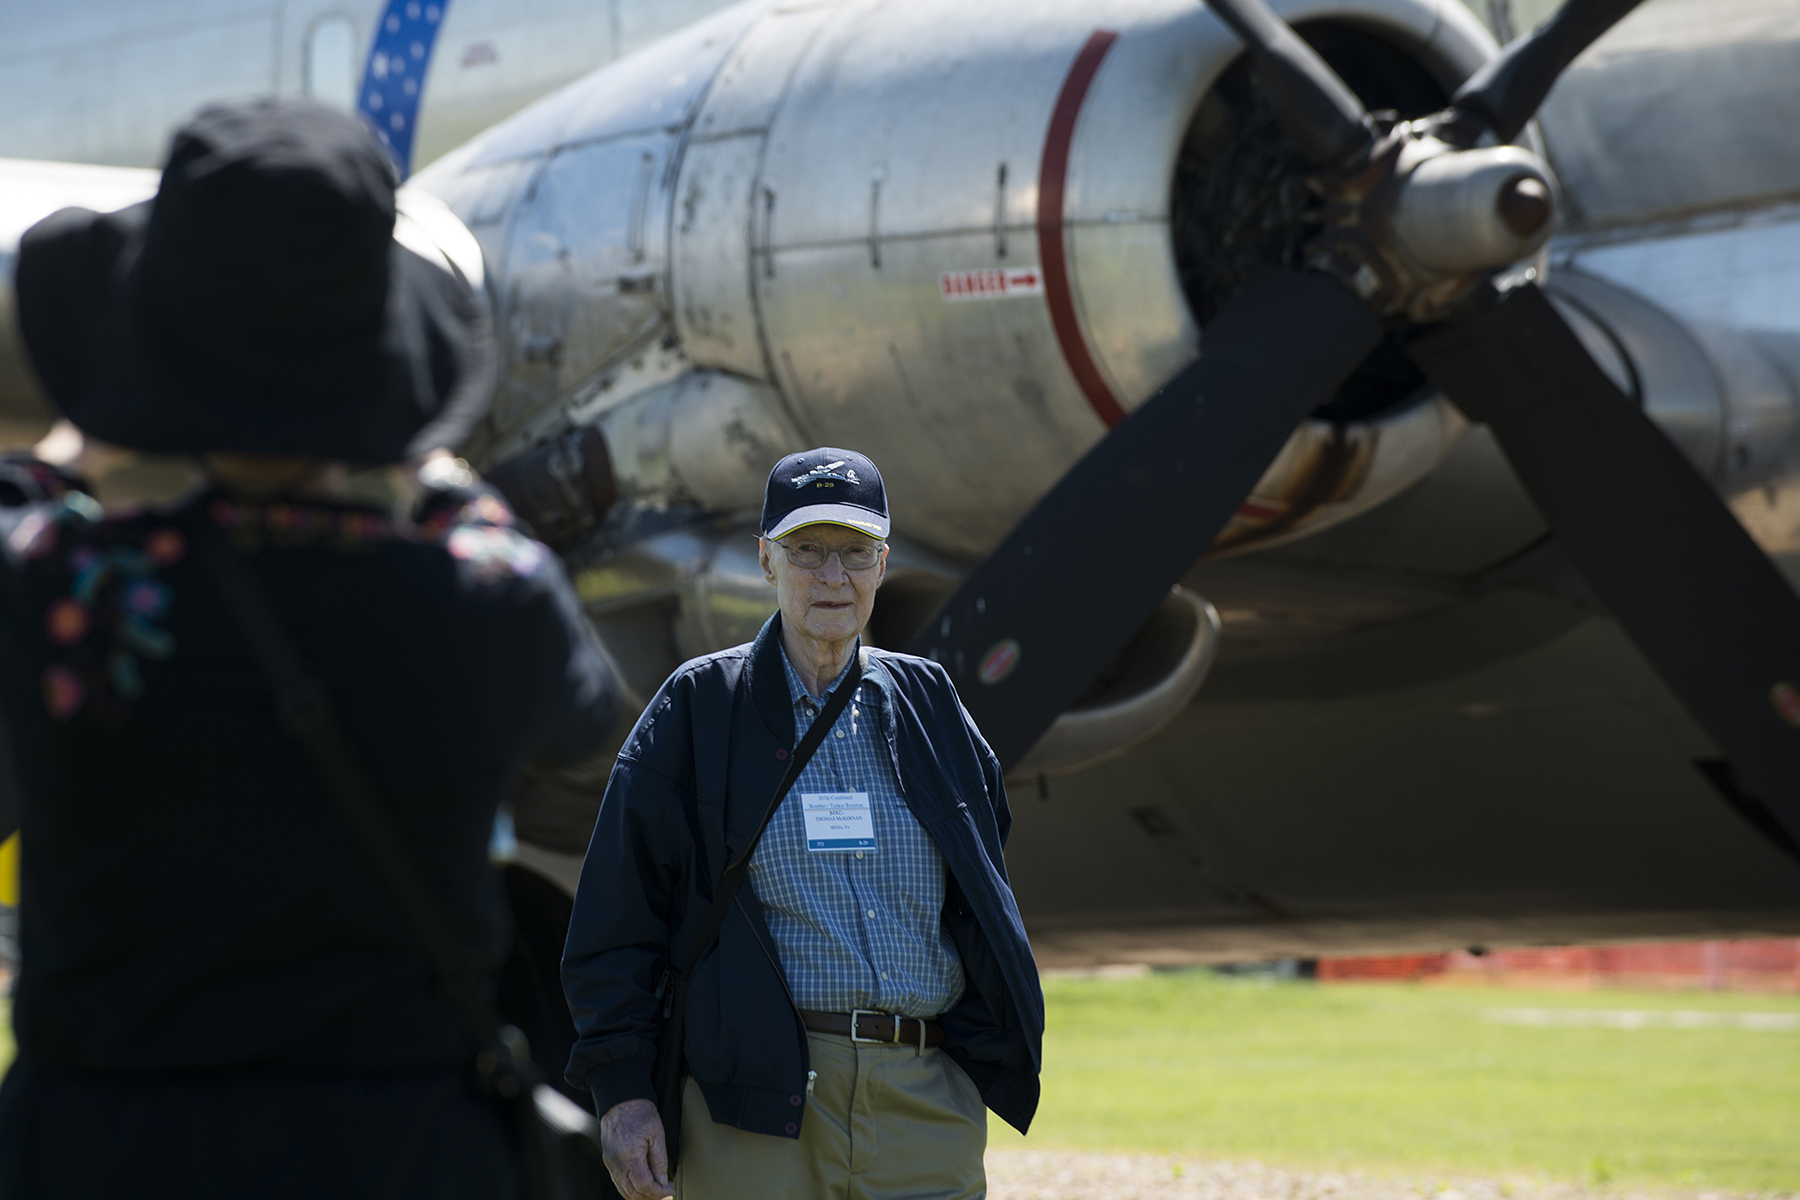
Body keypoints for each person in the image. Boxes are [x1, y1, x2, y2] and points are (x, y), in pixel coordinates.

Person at [0, 99, 619, 1197]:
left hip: (113, 1152)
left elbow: (27, 502)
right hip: (397, 1154)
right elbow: (579, 707)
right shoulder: (478, 602)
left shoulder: (68, 592)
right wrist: (417, 469)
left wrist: (75, 447)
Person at [563, 447, 1044, 1200]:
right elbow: (616, 919)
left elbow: (983, 871)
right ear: (765, 560)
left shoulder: (928, 702)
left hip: (924, 1103)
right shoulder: (699, 707)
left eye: (855, 552)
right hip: (751, 1109)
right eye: (806, 550)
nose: (832, 576)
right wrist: (623, 1092)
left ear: (883, 564)